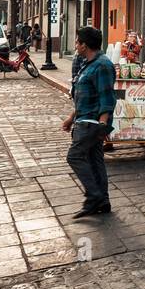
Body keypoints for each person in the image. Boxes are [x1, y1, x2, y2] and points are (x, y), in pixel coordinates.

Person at [61, 25, 116, 218]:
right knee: (94, 160)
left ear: (85, 45)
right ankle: (103, 200)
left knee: (74, 156)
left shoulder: (102, 65)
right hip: (83, 119)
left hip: (92, 124)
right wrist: (71, 117)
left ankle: (93, 197)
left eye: (77, 42)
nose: (75, 45)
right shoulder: (88, 63)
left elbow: (107, 98)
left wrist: (102, 125)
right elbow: (86, 97)